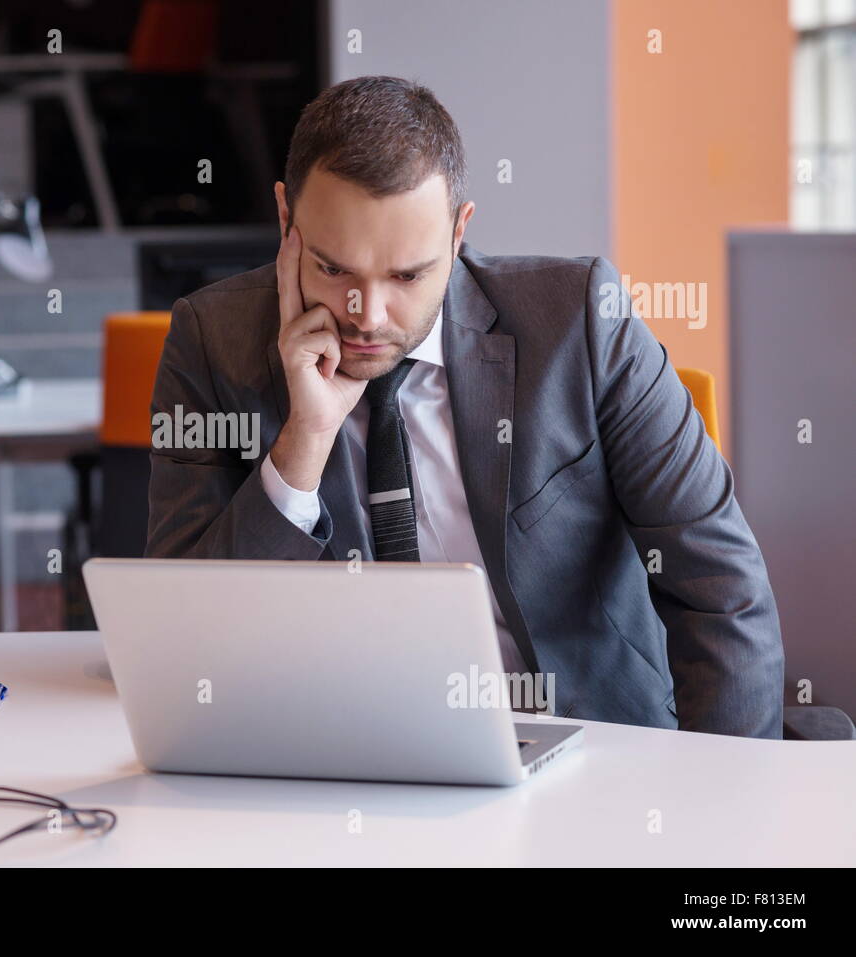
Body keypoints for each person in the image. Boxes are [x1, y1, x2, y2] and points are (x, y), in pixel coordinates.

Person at [145, 75, 784, 737]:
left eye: (406, 275)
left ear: (458, 232)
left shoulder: (578, 324)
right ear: (286, 221)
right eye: (334, 270)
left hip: (587, 754)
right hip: (335, 765)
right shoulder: (212, 340)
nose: (368, 315)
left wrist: (721, 803)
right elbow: (178, 642)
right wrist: (302, 445)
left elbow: (722, 592)